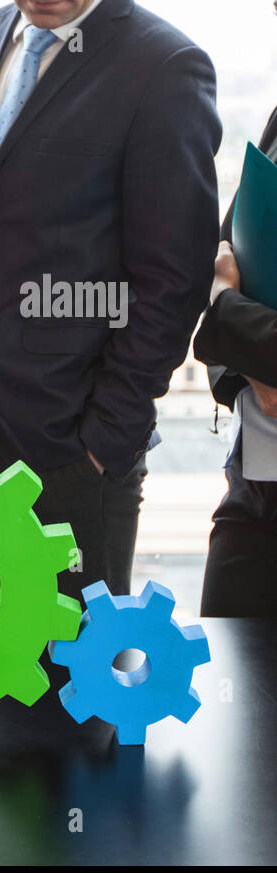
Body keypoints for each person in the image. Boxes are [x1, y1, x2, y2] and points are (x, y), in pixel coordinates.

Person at [0, 0, 221, 617]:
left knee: (69, 698)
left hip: (72, 455)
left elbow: (173, 280)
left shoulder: (165, 66)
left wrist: (101, 446)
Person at [194, 99, 277, 617]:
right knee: (229, 676)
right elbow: (227, 255)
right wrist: (253, 375)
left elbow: (224, 293)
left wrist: (228, 309)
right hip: (256, 483)